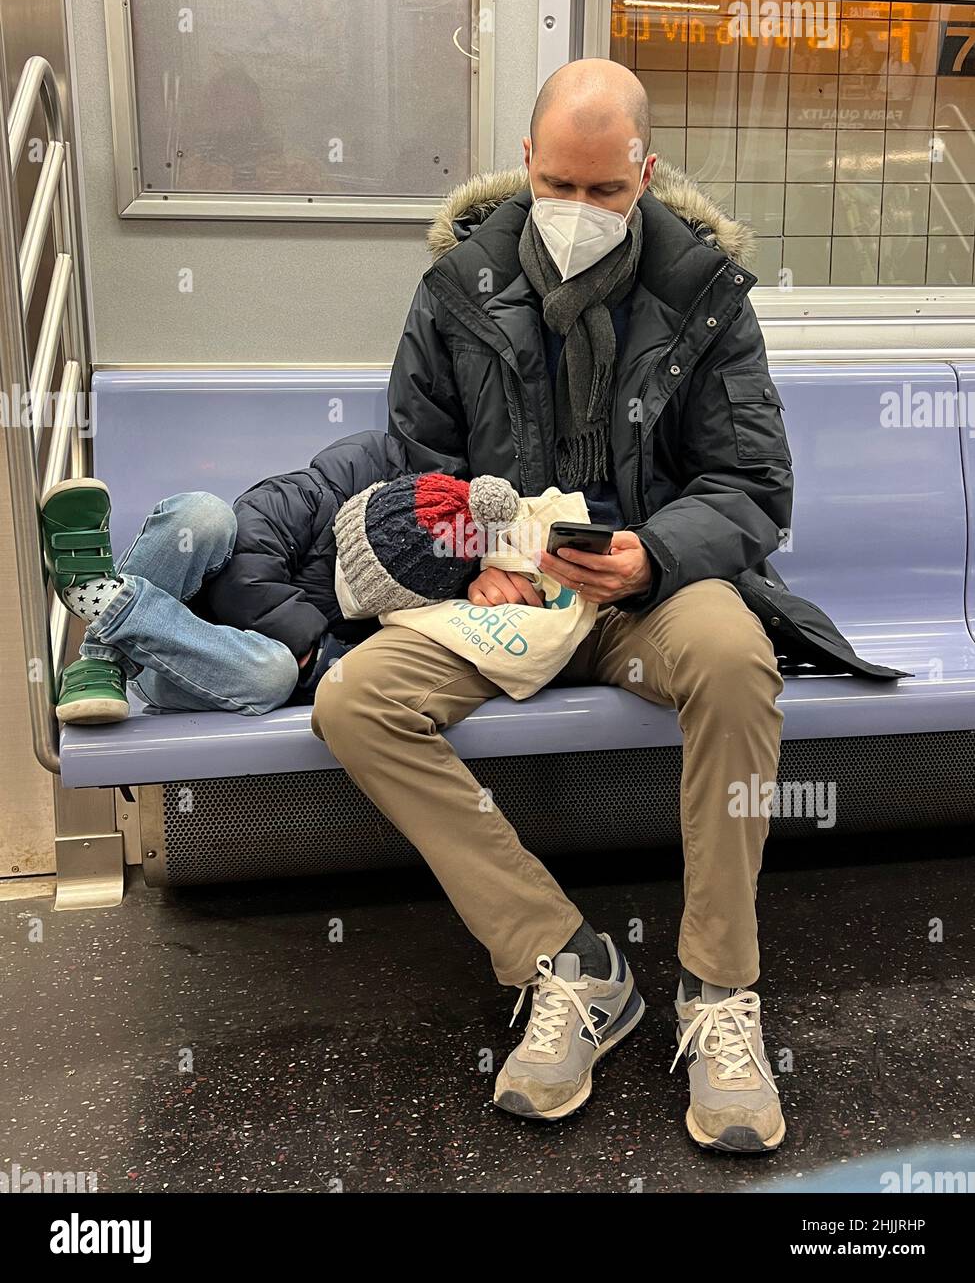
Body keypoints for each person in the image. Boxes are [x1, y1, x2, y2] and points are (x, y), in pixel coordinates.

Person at [311, 58, 905, 1147]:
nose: (579, 212)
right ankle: (568, 963)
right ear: (526, 165)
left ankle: (719, 989)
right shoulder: (457, 289)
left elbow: (753, 489)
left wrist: (652, 557)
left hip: (650, 598)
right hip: (513, 595)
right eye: (559, 185)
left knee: (735, 661)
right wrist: (469, 555)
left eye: (607, 191)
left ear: (648, 173)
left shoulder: (707, 295)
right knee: (356, 700)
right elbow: (419, 464)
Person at [41, 436, 515, 723]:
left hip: (197, 667)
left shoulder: (442, 590)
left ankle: (100, 612)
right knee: (203, 516)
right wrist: (307, 639)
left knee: (275, 675)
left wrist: (316, 659)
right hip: (188, 593)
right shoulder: (319, 493)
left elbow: (366, 673)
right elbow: (248, 554)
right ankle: (104, 649)